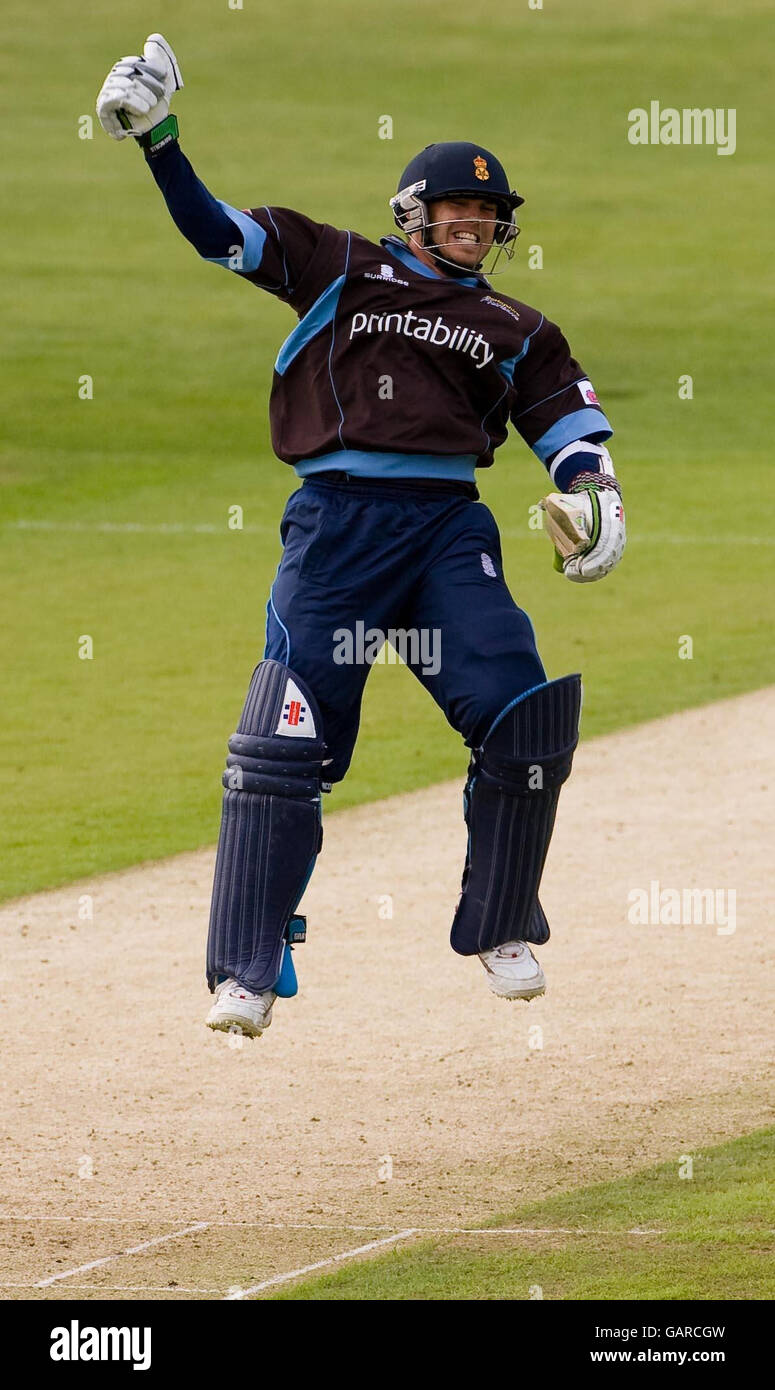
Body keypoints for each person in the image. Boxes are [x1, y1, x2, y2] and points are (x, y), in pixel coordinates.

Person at [97, 36, 626, 1039]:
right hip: (337, 526)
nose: (472, 227)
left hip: (444, 535)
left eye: (488, 217)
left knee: (522, 715)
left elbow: (567, 433)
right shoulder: (339, 264)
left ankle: (500, 924)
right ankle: (251, 962)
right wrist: (160, 141)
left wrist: (596, 498)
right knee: (282, 738)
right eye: (456, 212)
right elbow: (219, 237)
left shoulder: (517, 325)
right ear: (413, 215)